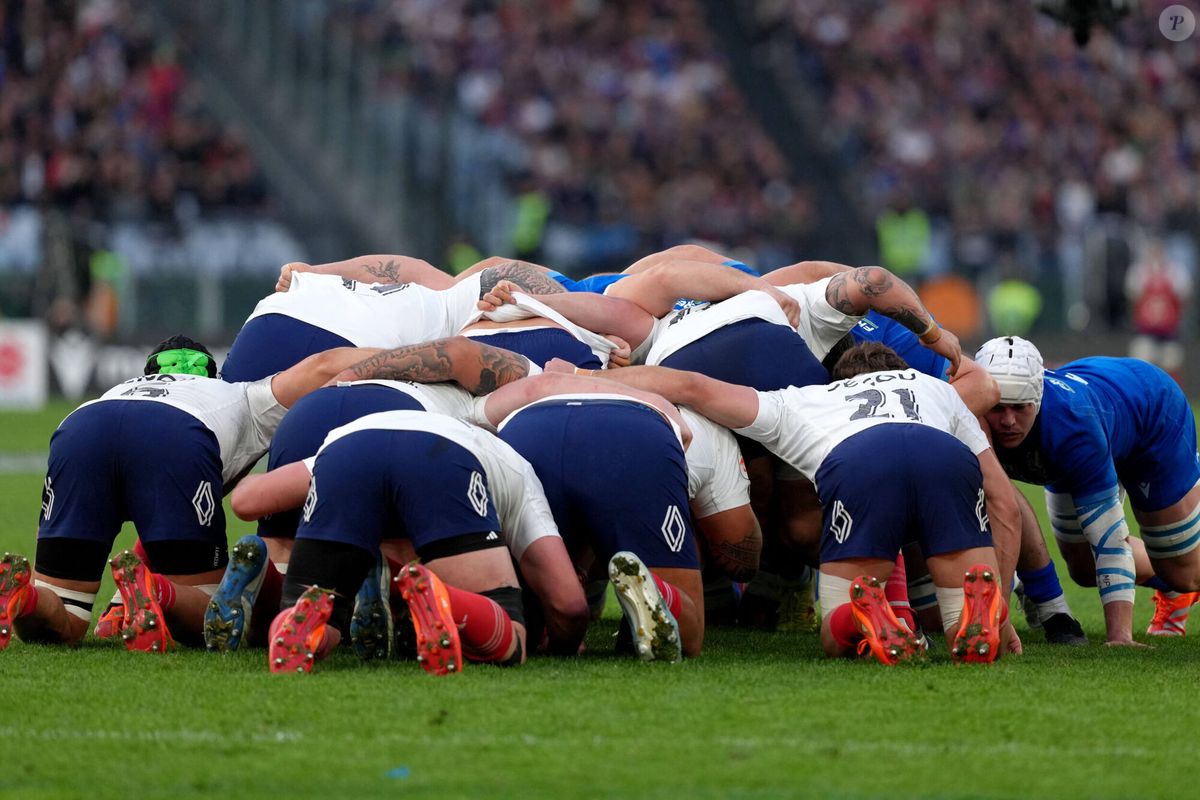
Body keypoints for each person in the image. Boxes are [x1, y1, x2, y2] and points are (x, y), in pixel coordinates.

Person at [562, 342, 1022, 665]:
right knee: (964, 606)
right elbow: (1004, 501)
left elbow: (692, 386)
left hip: (861, 460)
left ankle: (861, 615)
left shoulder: (807, 399)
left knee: (834, 637)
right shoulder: (936, 390)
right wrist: (1005, 616)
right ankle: (985, 613)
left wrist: (589, 377)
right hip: (943, 454)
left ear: (839, 380)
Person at [0, 335, 378, 654]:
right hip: (174, 432)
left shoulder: (118, 390)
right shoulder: (238, 393)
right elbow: (324, 366)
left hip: (80, 429)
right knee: (212, 610)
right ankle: (157, 590)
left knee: (66, 618)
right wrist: (410, 356)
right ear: (211, 373)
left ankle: (23, 595)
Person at [203, 336, 542, 653]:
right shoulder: (478, 389)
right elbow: (523, 388)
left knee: (292, 551)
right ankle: (390, 588)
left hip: (312, 410)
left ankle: (272, 577)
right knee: (408, 536)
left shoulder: (373, 354)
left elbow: (246, 503)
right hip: (411, 428)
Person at [228, 410, 588, 673]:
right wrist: (562, 644)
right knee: (513, 638)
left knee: (321, 615)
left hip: (344, 450)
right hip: (444, 459)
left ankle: (297, 624)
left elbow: (248, 501)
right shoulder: (516, 468)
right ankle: (445, 600)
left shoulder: (373, 427)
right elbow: (569, 605)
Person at [976, 336, 1200, 642]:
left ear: (1038, 399)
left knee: (1185, 574)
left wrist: (1119, 637)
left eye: (1020, 406)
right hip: (1100, 406)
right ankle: (1169, 584)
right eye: (998, 408)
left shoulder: (1072, 430)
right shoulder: (968, 417)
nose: (1009, 421)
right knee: (1083, 569)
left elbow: (1109, 539)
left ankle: (1175, 582)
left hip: (1152, 415)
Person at [222, 261, 565, 383]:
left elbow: (402, 266)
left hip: (279, 313)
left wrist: (317, 273)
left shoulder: (438, 298)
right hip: (358, 342)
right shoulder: (446, 301)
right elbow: (404, 267)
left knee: (218, 428)